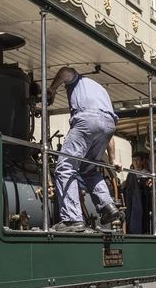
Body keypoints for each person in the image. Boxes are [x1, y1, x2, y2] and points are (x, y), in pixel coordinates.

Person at [47, 66, 123, 232]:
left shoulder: (78, 80)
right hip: (108, 126)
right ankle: (107, 206)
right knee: (89, 169)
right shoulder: (101, 91)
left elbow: (65, 71)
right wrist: (112, 159)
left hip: (87, 120)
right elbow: (107, 129)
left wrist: (52, 90)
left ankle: (72, 220)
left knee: (65, 167)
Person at [122, 152, 152, 234]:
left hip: (142, 199)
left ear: (142, 161)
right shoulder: (130, 174)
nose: (135, 162)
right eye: (134, 160)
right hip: (130, 198)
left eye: (137, 160)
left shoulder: (146, 173)